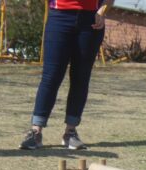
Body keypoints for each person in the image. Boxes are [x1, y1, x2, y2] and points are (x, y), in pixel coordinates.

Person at [20, 0, 113, 150]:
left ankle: (70, 132)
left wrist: (102, 11)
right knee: (51, 77)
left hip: (90, 21)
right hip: (59, 17)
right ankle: (35, 132)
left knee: (80, 78)